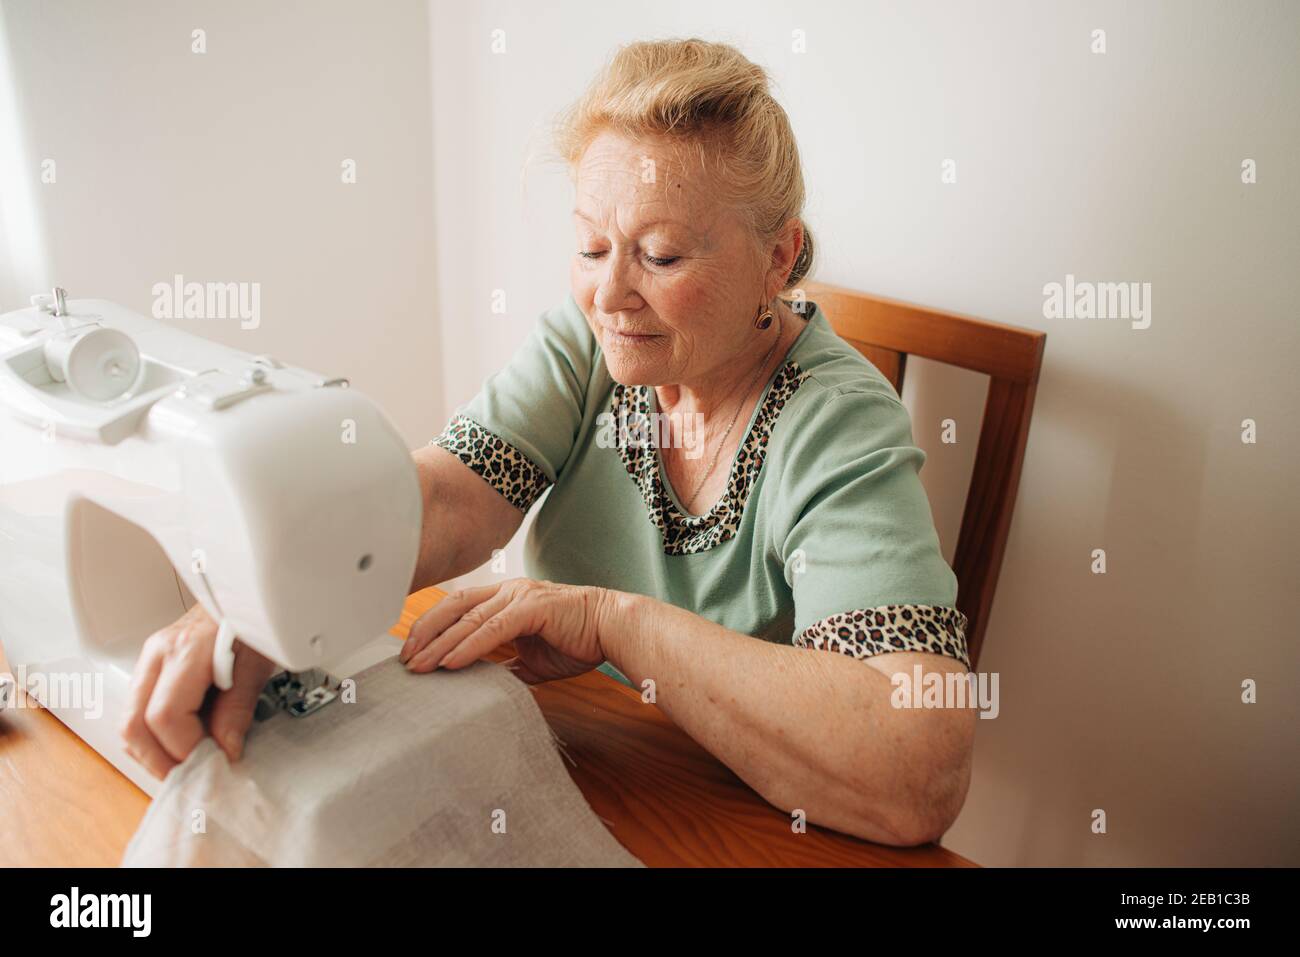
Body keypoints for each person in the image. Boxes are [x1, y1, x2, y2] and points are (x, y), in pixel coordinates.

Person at [122, 38, 975, 847]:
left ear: (777, 257)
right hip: (577, 754)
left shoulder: (838, 419)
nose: (609, 292)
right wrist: (261, 598)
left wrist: (611, 621)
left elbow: (915, 771)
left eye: (662, 255)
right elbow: (451, 496)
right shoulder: (589, 345)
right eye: (591, 245)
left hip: (743, 818)